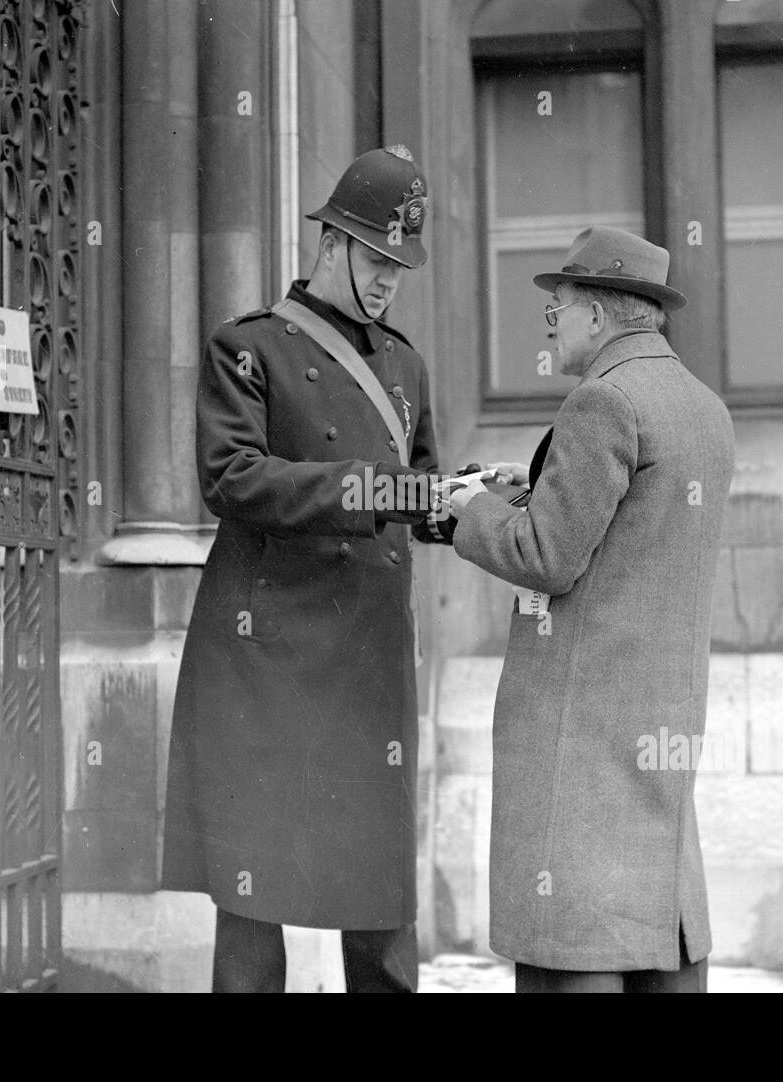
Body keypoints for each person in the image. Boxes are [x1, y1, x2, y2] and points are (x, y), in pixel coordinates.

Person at [161, 146, 445, 993]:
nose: (391, 279)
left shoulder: (406, 366)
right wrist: (378, 489)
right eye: (378, 257)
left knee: (382, 905)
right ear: (331, 242)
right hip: (266, 660)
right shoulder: (247, 349)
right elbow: (231, 478)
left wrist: (467, 496)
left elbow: (418, 494)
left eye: (401, 264)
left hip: (366, 663)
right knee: (253, 902)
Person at [447, 226, 735, 993]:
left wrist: (465, 513)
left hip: (577, 741)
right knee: (654, 941)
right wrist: (527, 481)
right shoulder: (704, 408)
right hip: (655, 729)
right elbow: (629, 529)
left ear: (600, 316)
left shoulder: (601, 401)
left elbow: (546, 556)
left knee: (570, 948)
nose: (553, 325)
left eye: (559, 308)